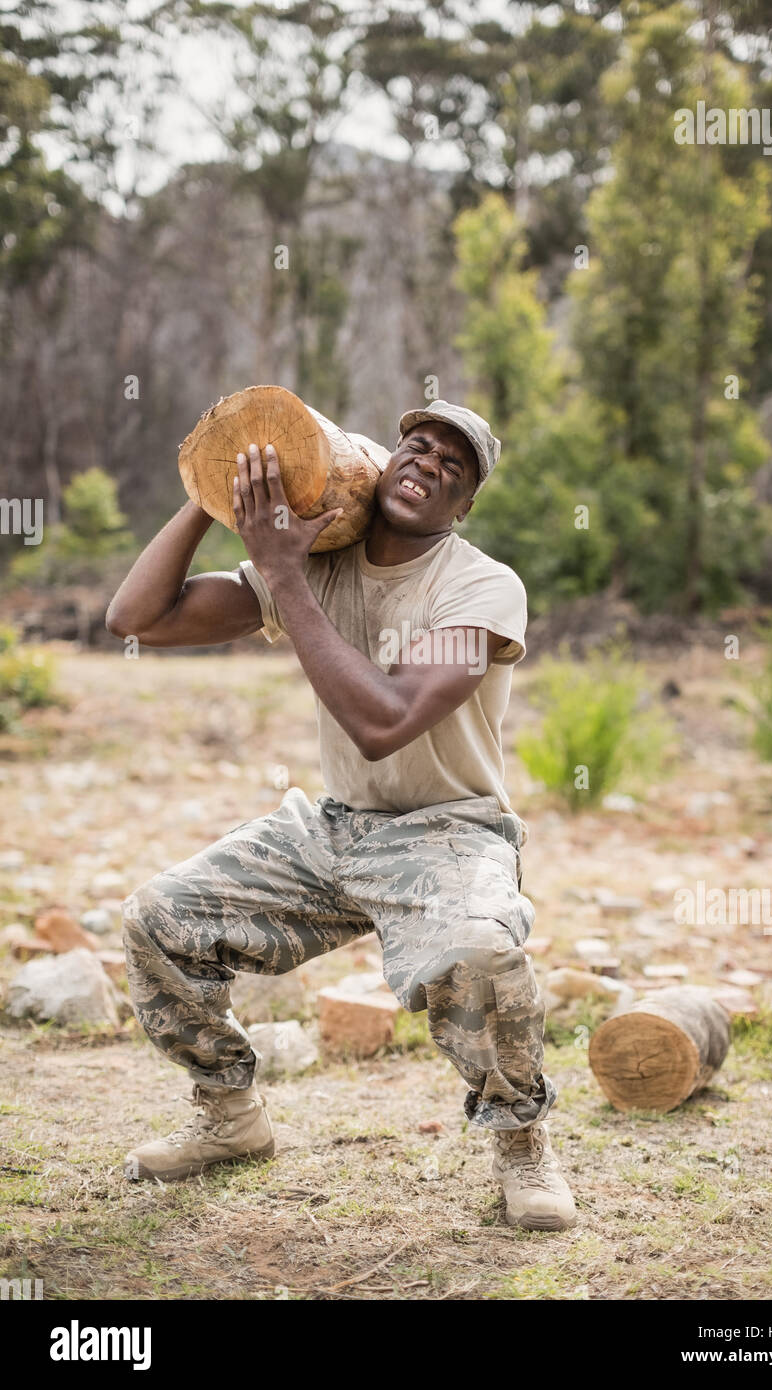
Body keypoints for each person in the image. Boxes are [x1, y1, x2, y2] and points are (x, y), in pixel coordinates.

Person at [107, 398, 576, 1232]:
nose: (427, 461)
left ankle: (521, 1142)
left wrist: (282, 573)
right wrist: (219, 490)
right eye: (417, 444)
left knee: (478, 949)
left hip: (450, 829)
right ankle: (228, 1117)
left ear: (462, 505)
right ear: (382, 459)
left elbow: (384, 719)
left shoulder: (482, 587)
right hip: (333, 827)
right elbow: (138, 618)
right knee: (157, 916)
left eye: (452, 466)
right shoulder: (318, 558)